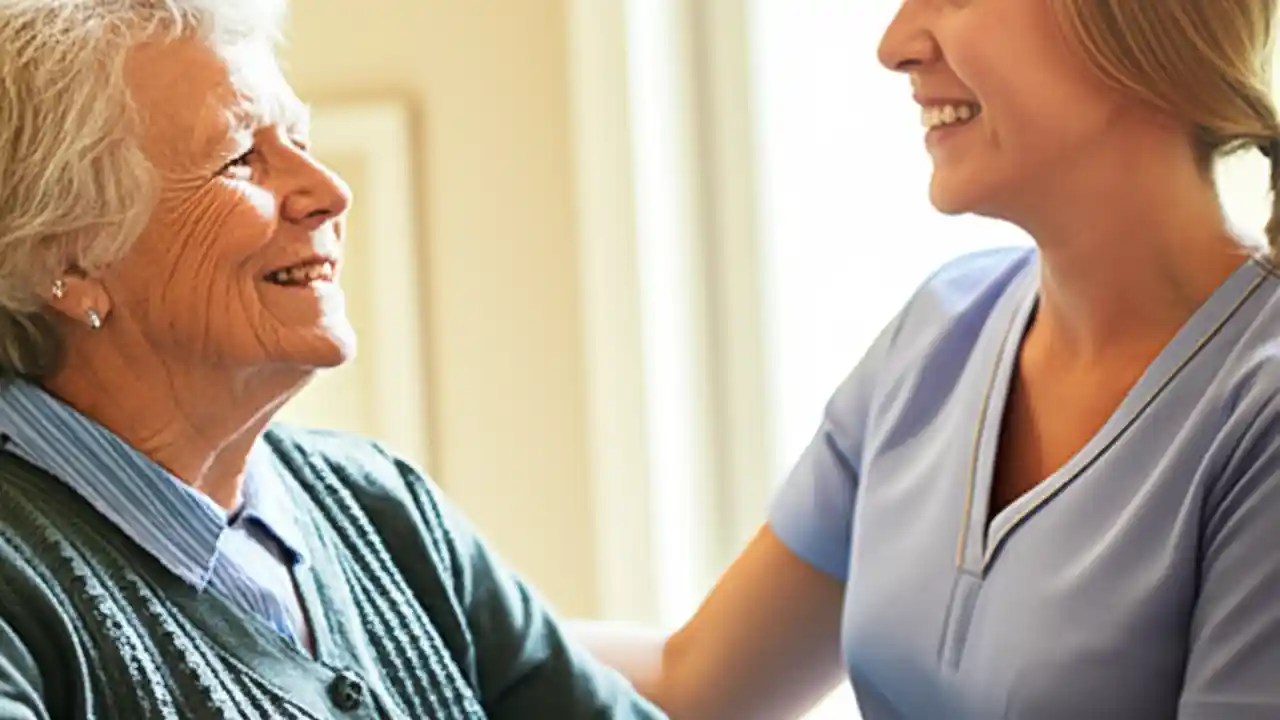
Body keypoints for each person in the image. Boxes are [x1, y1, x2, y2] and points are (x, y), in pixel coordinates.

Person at [580, 0, 1280, 718]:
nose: (896, 45)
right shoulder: (942, 334)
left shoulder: (1261, 412)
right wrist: (457, 575)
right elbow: (694, 684)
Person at [0, 2, 664, 718]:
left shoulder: (381, 509)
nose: (330, 192)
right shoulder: (21, 589)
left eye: (300, 138)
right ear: (62, 258)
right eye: (239, 158)